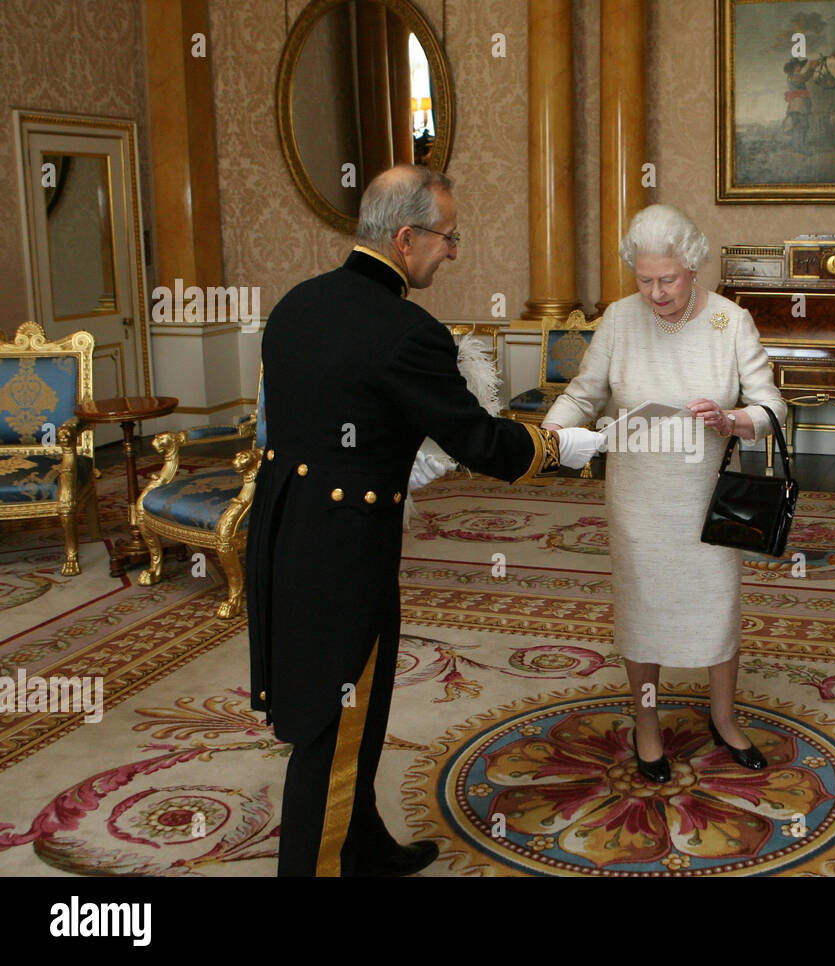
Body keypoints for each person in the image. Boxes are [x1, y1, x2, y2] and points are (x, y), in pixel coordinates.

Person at [245, 164, 602, 876]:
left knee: (353, 704)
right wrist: (560, 447)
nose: (454, 252)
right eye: (448, 238)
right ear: (406, 239)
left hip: (284, 535)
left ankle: (364, 845)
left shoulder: (296, 305)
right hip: (345, 556)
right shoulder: (407, 331)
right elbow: (479, 442)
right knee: (331, 723)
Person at [541, 203, 787, 782]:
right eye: (645, 279)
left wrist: (731, 420)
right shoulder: (619, 320)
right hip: (639, 499)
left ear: (693, 266)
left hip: (708, 497)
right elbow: (583, 393)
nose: (655, 293)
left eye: (668, 280)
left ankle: (723, 718)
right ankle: (646, 724)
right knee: (642, 608)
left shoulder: (730, 322)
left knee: (717, 606)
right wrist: (549, 435)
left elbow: (773, 407)